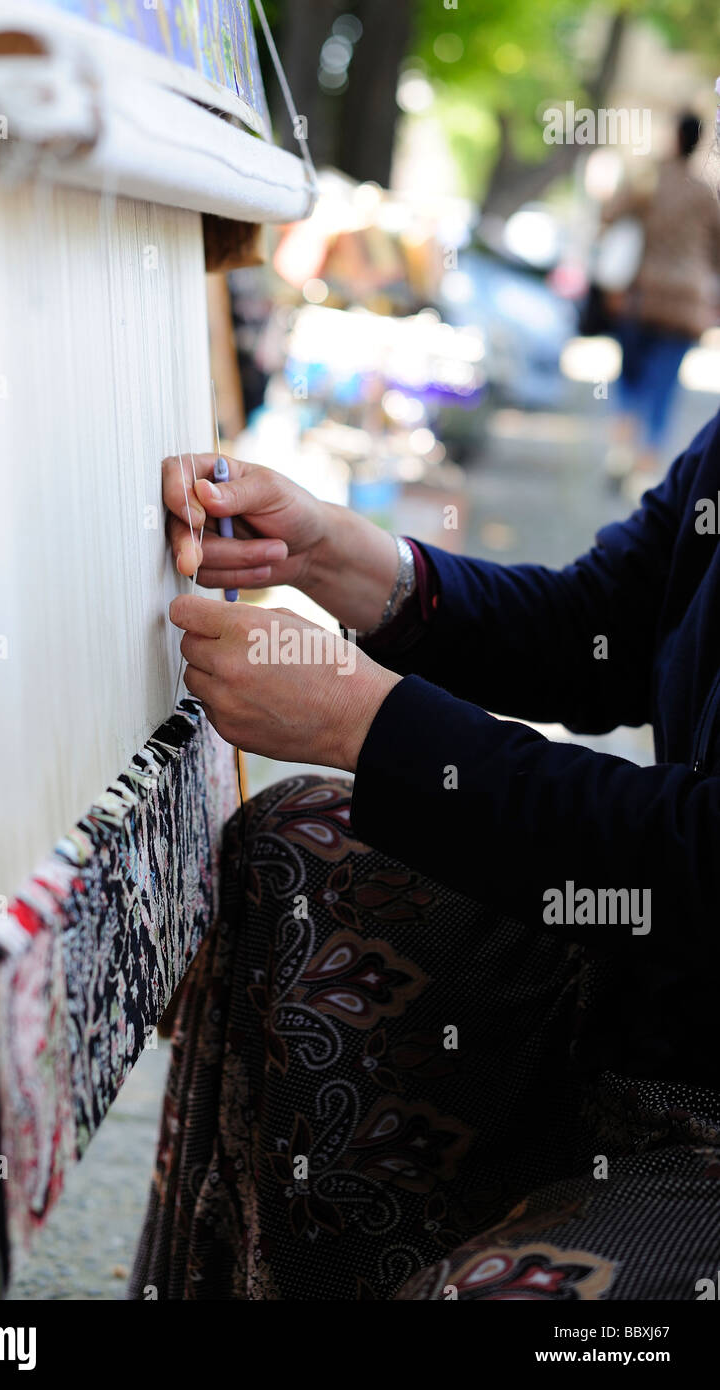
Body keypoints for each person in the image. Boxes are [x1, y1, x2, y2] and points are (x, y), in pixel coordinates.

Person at [129, 424, 720, 1301]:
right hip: (664, 992)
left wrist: (370, 725)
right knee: (301, 850)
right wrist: (330, 554)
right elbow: (601, 627)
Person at [602, 112, 720, 496]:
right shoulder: (705, 193)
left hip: (643, 297)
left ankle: (621, 449)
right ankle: (646, 468)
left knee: (630, 378)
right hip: (686, 305)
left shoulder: (649, 180)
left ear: (674, 137)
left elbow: (609, 213)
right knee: (664, 387)